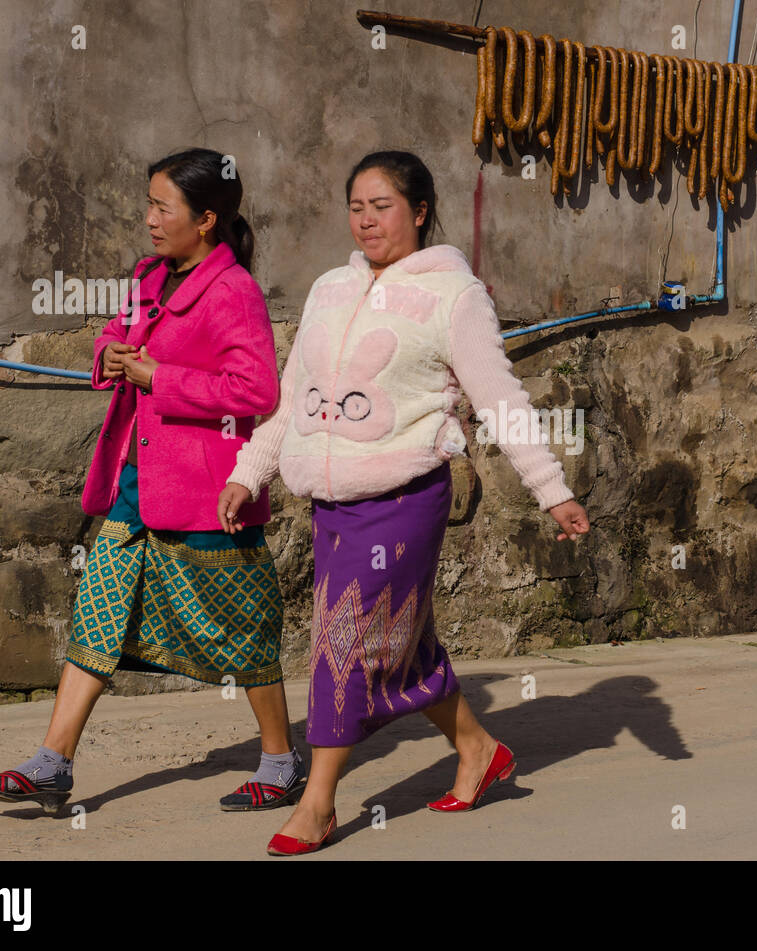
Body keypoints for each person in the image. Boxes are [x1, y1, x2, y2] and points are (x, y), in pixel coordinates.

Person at [219, 150, 591, 855]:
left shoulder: (456, 295)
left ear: (419, 211)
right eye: (356, 206)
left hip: (403, 500)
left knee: (342, 643)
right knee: (404, 644)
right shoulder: (330, 289)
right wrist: (250, 471)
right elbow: (292, 402)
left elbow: (498, 396)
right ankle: (479, 749)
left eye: (381, 206)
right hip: (333, 505)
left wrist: (552, 489)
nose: (366, 220)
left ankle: (320, 803)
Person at [0, 148, 305, 815]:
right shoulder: (151, 275)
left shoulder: (232, 290)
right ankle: (53, 761)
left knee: (240, 627)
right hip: (135, 478)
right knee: (97, 606)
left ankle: (279, 757)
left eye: (163, 206)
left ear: (207, 218)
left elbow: (256, 390)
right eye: (148, 203)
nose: (149, 218)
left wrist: (163, 378)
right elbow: (117, 338)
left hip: (209, 493)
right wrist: (112, 355)